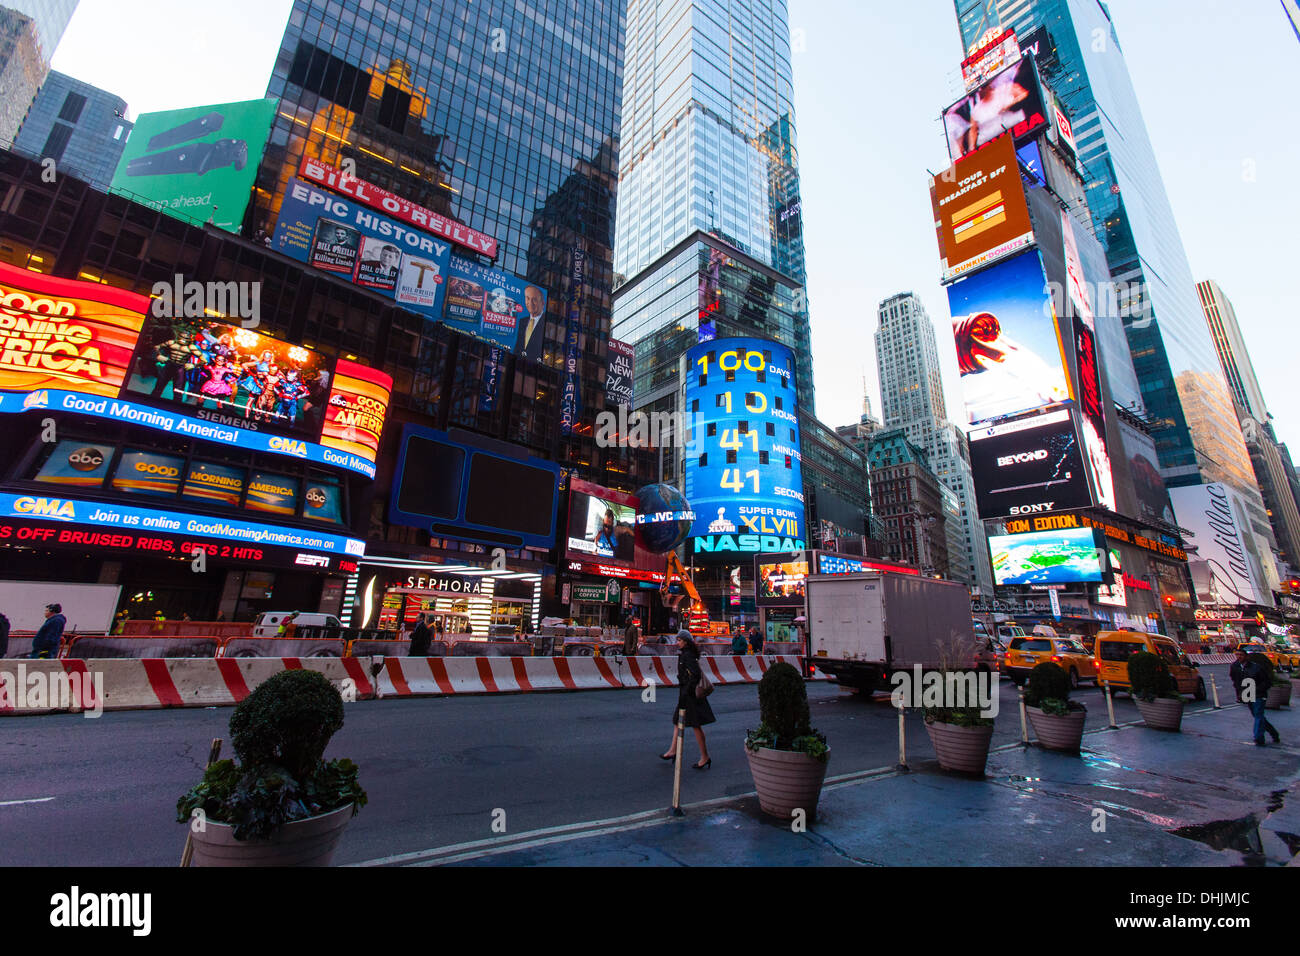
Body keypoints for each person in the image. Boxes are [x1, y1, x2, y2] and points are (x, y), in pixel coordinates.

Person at [660, 630, 714, 769]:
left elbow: (695, 674)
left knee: (695, 725)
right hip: (686, 694)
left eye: (679, 640)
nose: (677, 642)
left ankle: (704, 756)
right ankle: (673, 750)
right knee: (678, 721)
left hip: (689, 696)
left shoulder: (688, 656)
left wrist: (688, 690)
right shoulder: (686, 654)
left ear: (685, 641)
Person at [1241, 651, 1280, 747]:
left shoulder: (1257, 668)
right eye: (1237, 655)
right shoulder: (1236, 667)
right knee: (1257, 716)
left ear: (1246, 657)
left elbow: (1267, 682)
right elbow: (1237, 682)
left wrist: (1257, 690)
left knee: (1258, 715)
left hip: (1258, 694)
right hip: (1248, 694)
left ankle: (1258, 737)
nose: (1238, 657)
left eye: (1241, 655)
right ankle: (1273, 733)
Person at [516, 284, 546, 360]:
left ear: (542, 303)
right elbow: (518, 347)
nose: (530, 302)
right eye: (527, 298)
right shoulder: (522, 321)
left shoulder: (547, 323)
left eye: (534, 299)